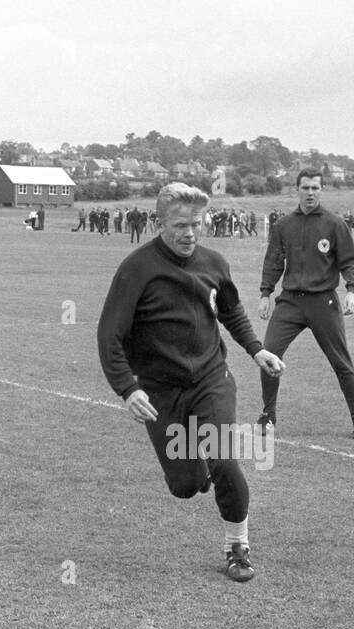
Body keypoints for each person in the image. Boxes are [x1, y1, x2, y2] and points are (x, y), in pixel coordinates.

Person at [97, 182, 285, 583]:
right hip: (160, 392)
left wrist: (256, 350)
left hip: (211, 379)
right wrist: (128, 390)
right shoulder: (137, 269)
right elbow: (109, 335)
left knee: (223, 459)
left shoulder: (214, 263)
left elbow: (231, 312)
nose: (189, 233)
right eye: (180, 225)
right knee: (184, 485)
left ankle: (238, 547)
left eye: (196, 224)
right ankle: (194, 469)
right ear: (159, 223)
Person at [255, 168, 354, 439]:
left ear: (322, 190)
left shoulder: (334, 224)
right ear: (297, 190)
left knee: (341, 362)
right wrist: (265, 293)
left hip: (323, 302)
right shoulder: (283, 225)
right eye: (305, 188)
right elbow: (273, 261)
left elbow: (350, 261)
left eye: (315, 188)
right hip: (290, 302)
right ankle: (268, 416)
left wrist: (352, 290)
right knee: (269, 354)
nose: (310, 193)